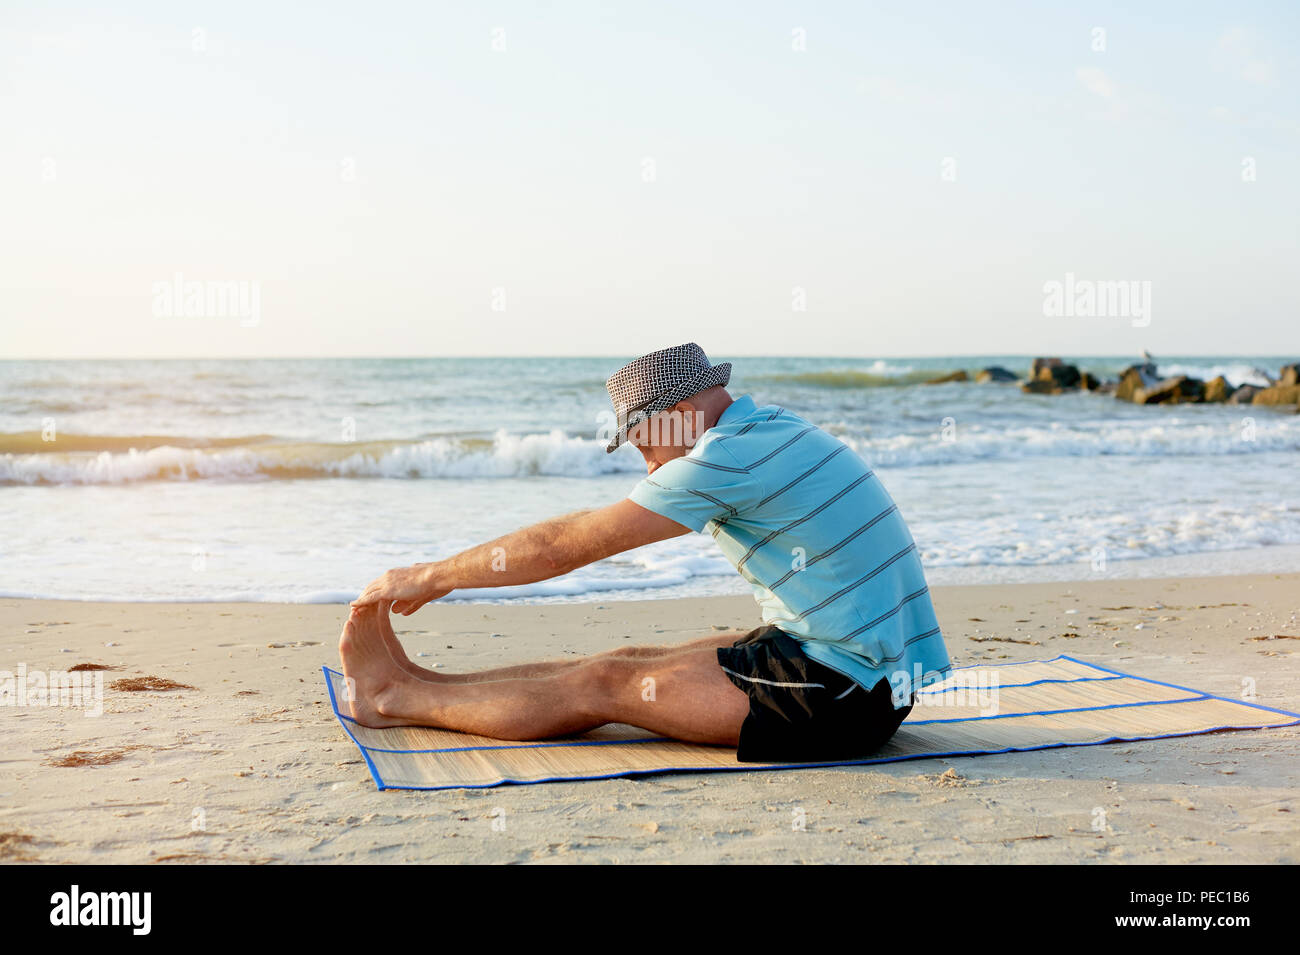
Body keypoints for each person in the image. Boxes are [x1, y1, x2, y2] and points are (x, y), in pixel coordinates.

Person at [343, 343, 951, 761]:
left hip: (841, 698)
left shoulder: (721, 459)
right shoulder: (772, 427)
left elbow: (561, 548)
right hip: (868, 671)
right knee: (629, 656)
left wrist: (432, 574)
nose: (645, 459)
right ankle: (418, 681)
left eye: (640, 437)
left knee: (605, 683)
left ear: (682, 412)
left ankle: (391, 698)